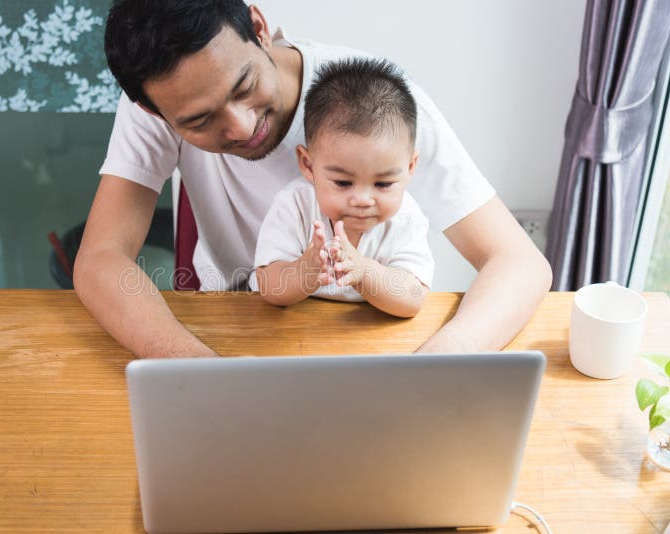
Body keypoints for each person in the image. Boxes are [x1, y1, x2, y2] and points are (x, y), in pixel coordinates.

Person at [74, 0, 552, 358]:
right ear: (153, 111)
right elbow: (100, 260)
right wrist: (197, 372)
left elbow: (518, 263)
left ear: (259, 28)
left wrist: (436, 368)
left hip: (369, 328)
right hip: (230, 322)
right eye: (199, 121)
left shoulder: (374, 104)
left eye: (243, 86)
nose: (241, 127)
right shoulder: (158, 104)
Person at [252, 58, 433, 318]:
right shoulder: (295, 204)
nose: (362, 199)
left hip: (369, 340)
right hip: (295, 333)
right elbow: (269, 286)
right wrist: (306, 271)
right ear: (308, 165)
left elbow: (413, 299)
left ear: (410, 167)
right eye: (343, 183)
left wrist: (363, 271)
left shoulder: (407, 218)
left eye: (383, 184)